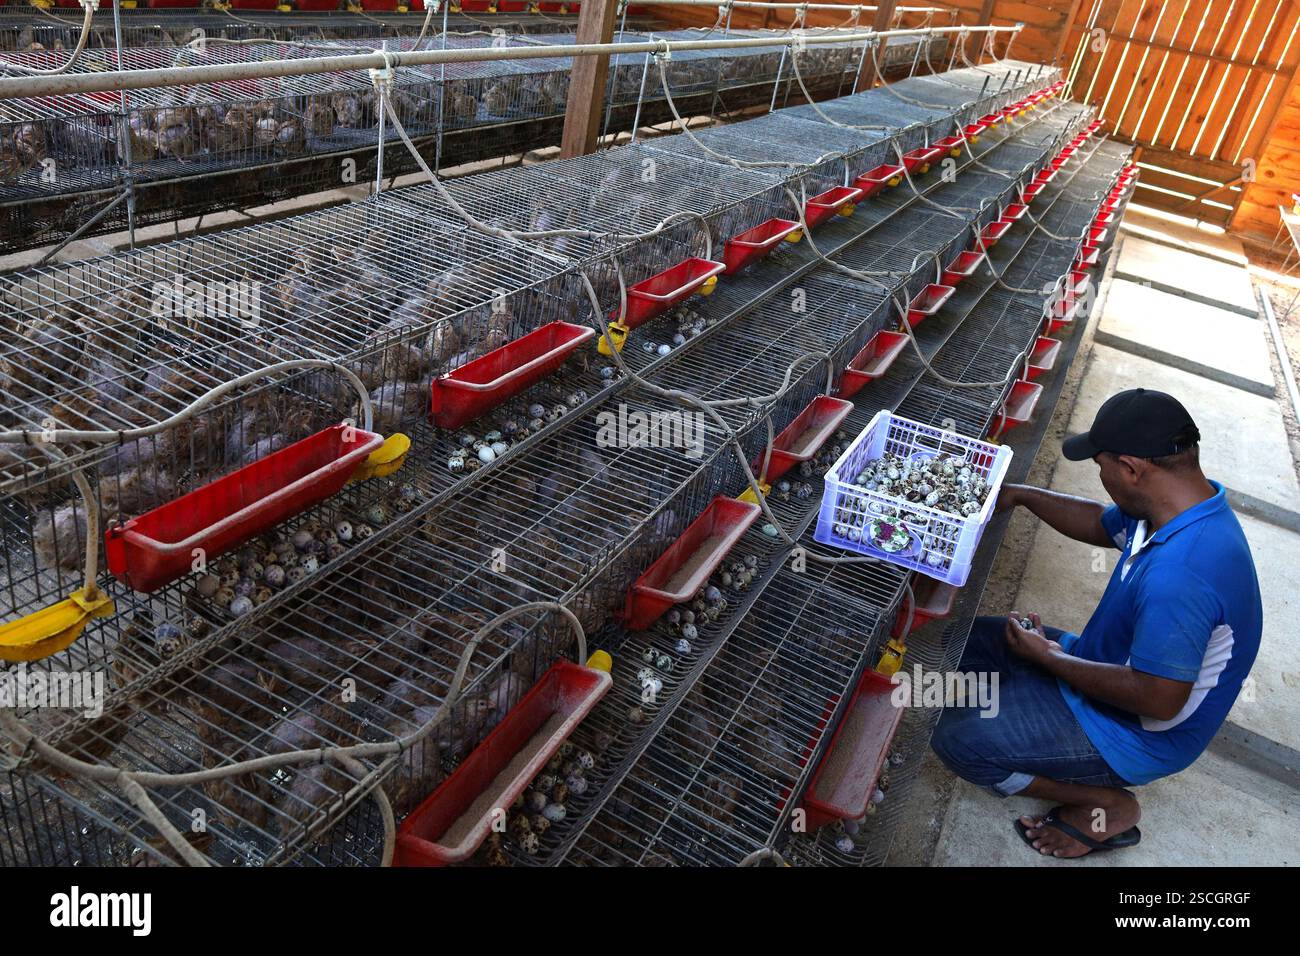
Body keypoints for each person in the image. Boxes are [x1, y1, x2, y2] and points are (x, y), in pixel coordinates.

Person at [930, 388, 1262, 858]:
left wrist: (1050, 658)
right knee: (963, 642)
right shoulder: (1175, 508)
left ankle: (1105, 802)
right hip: (1098, 665)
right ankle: (1032, 702)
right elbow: (1100, 524)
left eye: (1101, 465)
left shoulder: (1184, 574)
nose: (1101, 476)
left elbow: (1158, 699)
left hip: (1134, 733)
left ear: (1131, 468)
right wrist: (1022, 496)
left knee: (959, 741)